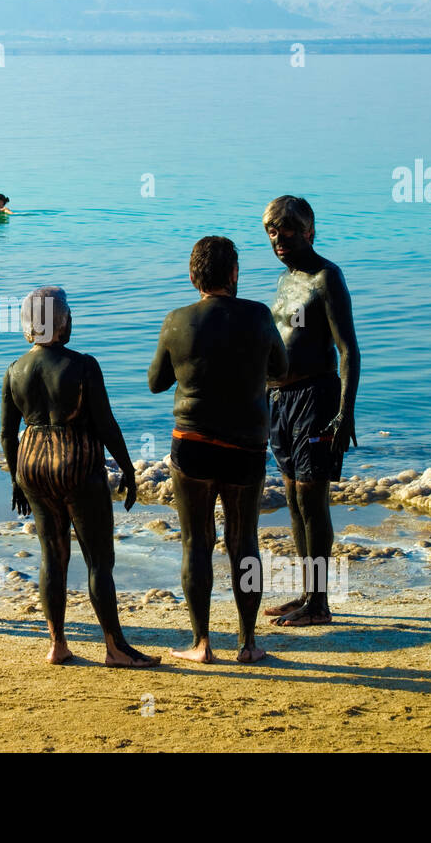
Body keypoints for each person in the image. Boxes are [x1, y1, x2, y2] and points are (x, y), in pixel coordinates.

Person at [0, 286, 160, 668]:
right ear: (62, 323)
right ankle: (115, 648)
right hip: (76, 462)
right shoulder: (83, 364)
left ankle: (57, 644)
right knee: (98, 561)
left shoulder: (14, 370)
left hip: (31, 463)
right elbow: (104, 423)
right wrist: (127, 468)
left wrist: (15, 480)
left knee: (52, 557)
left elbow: (7, 434)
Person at [148, 236, 286, 664]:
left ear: (193, 278)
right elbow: (280, 370)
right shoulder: (260, 315)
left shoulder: (176, 320)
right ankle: (248, 644)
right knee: (244, 541)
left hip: (192, 443)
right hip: (246, 445)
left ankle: (202, 644)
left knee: (196, 542)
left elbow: (156, 382)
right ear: (234, 274)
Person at [260, 195, 360, 627]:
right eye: (270, 230)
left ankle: (319, 604)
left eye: (286, 229)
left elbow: (348, 350)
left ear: (308, 231)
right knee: (294, 502)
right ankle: (306, 593)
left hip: (316, 399)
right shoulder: (286, 280)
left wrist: (345, 412)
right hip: (280, 401)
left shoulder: (327, 277)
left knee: (312, 500)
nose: (278, 238)